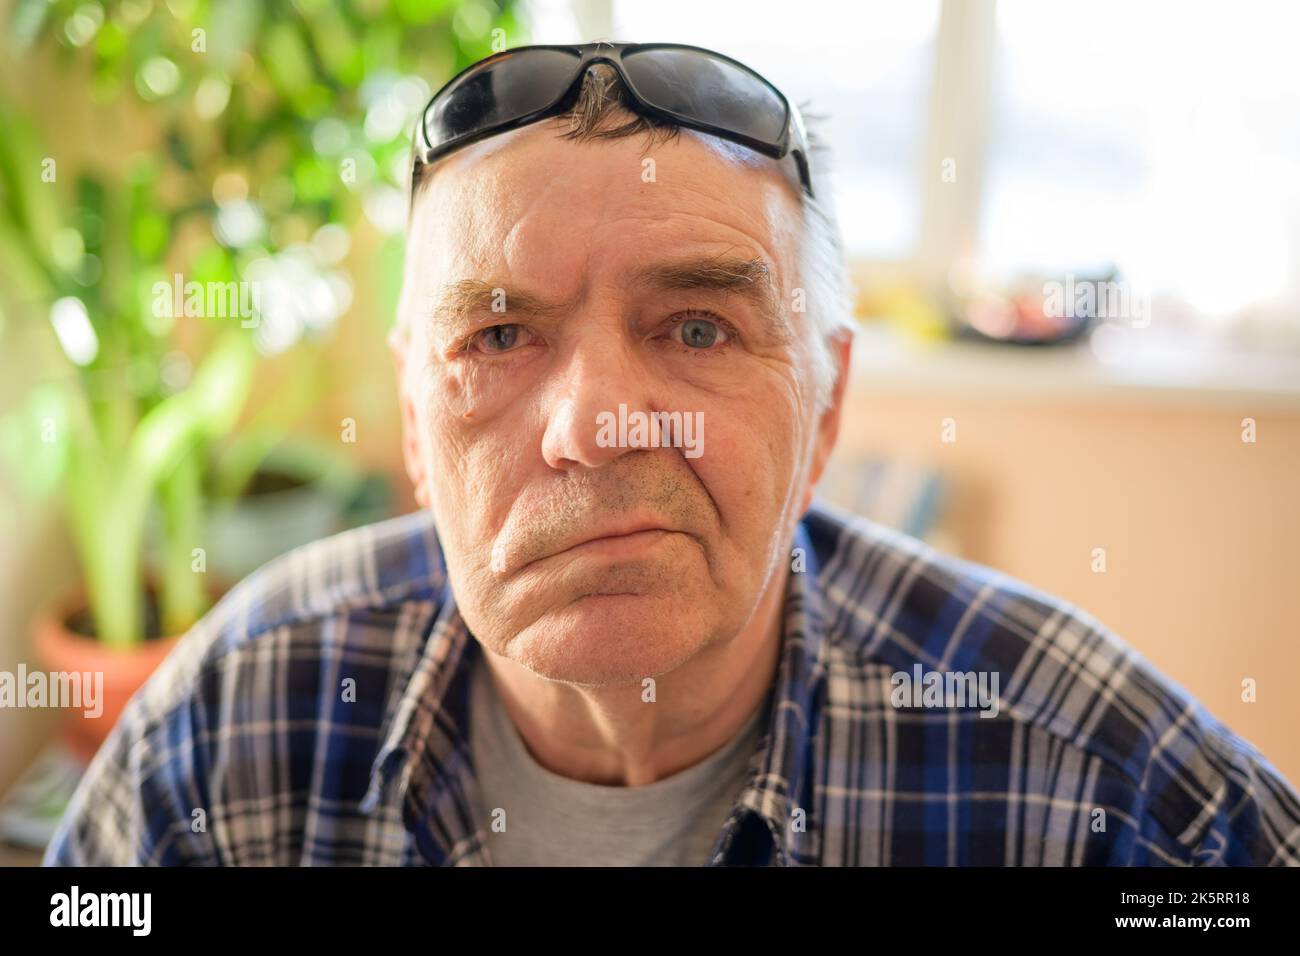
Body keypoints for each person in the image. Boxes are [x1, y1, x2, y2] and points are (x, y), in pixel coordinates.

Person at [46, 42, 1300, 866]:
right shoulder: (226, 727)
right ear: (417, 429)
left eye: (697, 326)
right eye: (497, 333)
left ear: (823, 407)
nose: (597, 425)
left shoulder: (1118, 796)